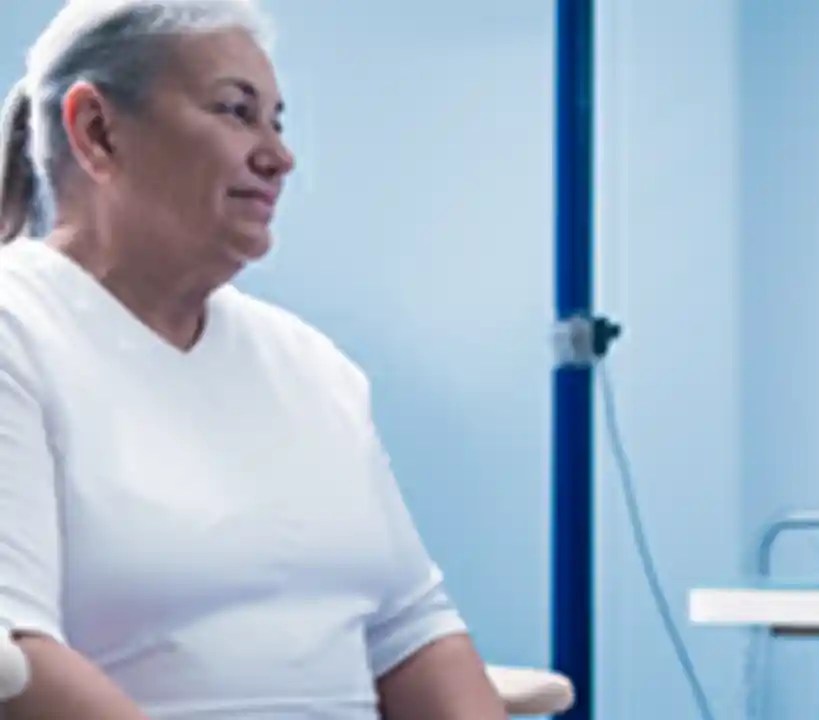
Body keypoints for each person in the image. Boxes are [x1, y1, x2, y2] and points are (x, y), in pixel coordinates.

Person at [0, 1, 508, 718]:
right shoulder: (18, 332)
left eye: (278, 120)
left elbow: (412, 630)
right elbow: (15, 656)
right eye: (236, 112)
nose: (278, 155)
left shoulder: (310, 366)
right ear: (97, 132)